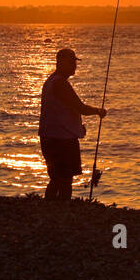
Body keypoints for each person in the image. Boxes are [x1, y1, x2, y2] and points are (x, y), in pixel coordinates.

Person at [38, 48, 106, 201]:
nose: (74, 66)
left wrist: (76, 127)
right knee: (64, 179)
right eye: (71, 62)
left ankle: (50, 210)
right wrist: (99, 111)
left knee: (56, 178)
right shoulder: (60, 84)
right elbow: (80, 108)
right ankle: (62, 211)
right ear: (60, 63)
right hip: (60, 140)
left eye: (75, 62)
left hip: (51, 136)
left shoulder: (51, 81)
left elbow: (60, 112)